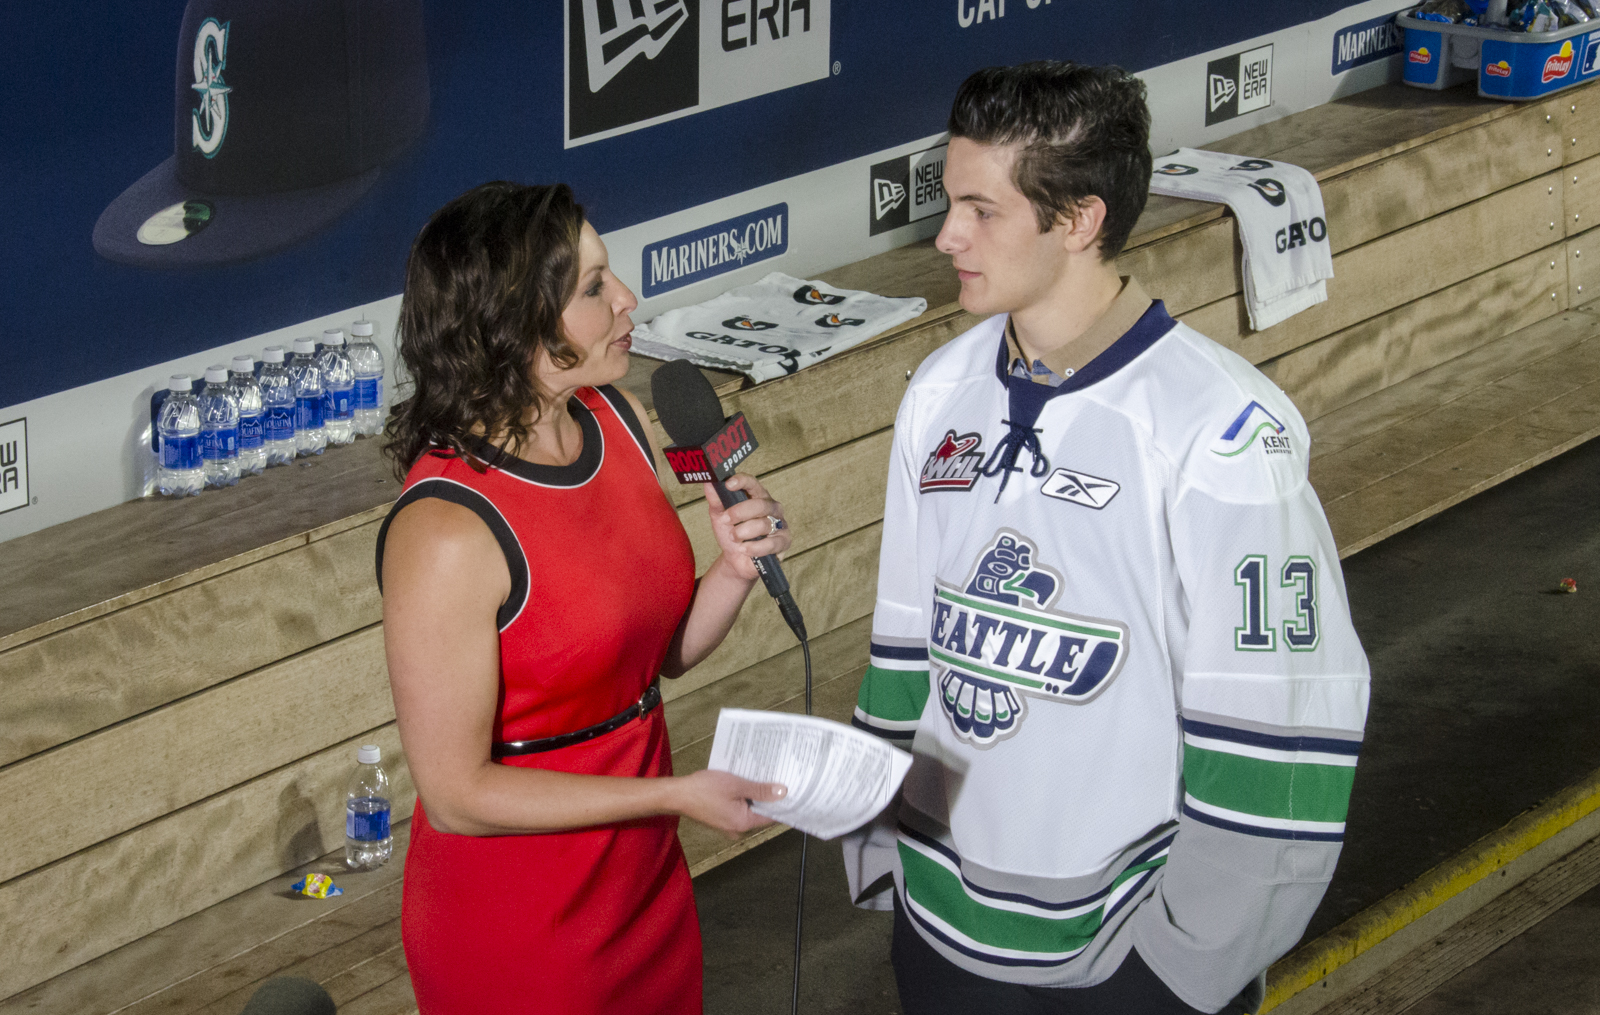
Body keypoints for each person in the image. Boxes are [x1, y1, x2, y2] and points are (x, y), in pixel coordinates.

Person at [845, 63, 1371, 1014]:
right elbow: (903, 651)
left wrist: (1177, 972)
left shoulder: (1221, 433)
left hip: (1126, 970)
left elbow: (1282, 744)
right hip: (939, 939)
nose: (945, 235)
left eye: (980, 209)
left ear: (1078, 220)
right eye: (947, 202)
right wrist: (890, 862)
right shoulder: (938, 392)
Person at [376, 181, 793, 1015]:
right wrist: (673, 795)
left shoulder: (621, 420)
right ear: (514, 326)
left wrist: (733, 572)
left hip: (644, 885)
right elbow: (458, 794)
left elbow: (656, 656)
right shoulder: (446, 532)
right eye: (593, 287)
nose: (627, 298)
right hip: (524, 923)